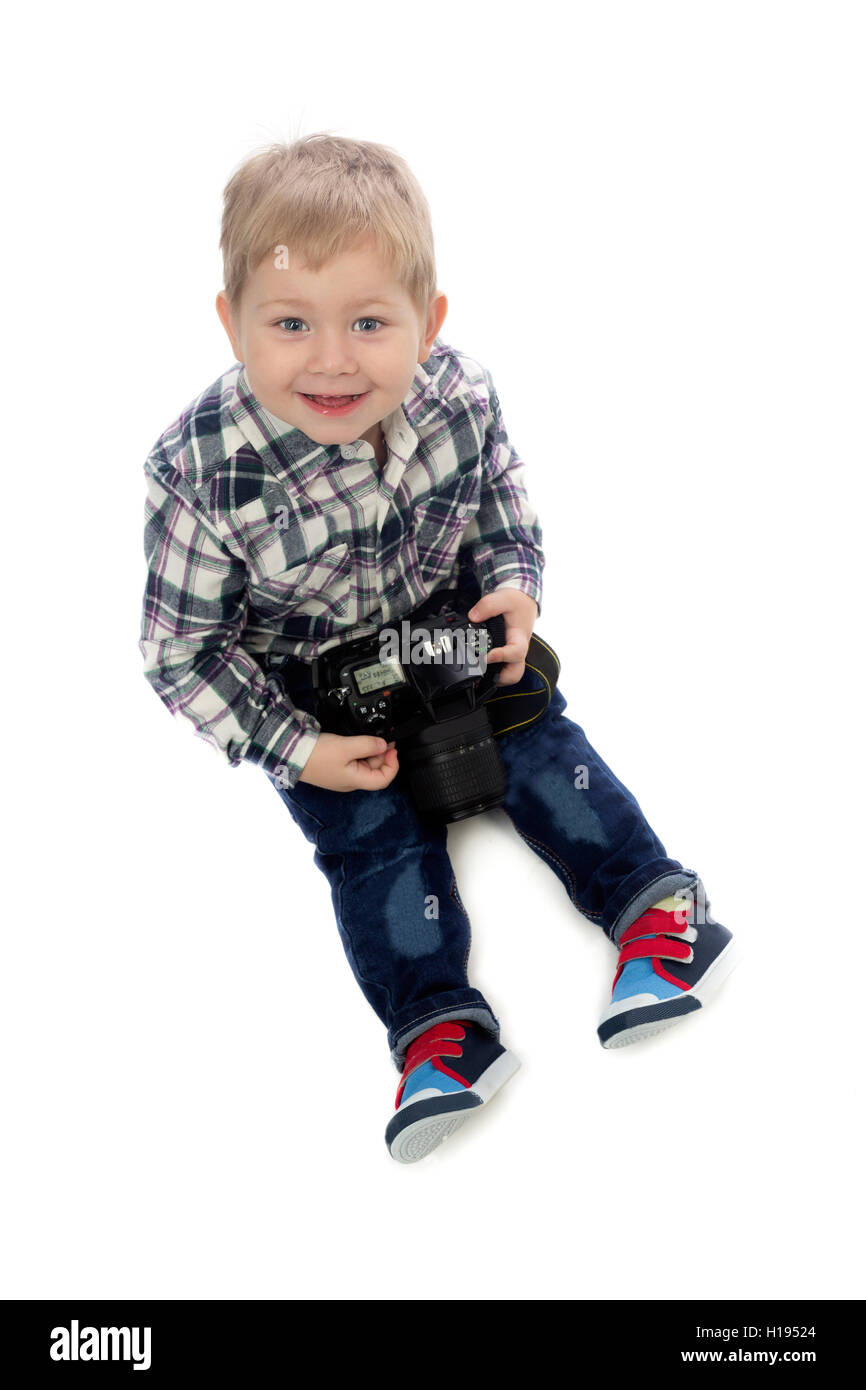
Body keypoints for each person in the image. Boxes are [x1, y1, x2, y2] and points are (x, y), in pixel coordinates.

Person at [139, 133, 737, 1164]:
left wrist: (511, 582)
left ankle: (655, 911)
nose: (331, 360)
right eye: (290, 324)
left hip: (443, 629)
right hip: (312, 686)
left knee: (539, 745)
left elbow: (501, 492)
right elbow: (180, 652)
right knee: (368, 843)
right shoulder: (198, 470)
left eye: (370, 322)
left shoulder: (457, 393)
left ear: (430, 321)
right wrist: (297, 746)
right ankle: (437, 1033)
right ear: (232, 323)